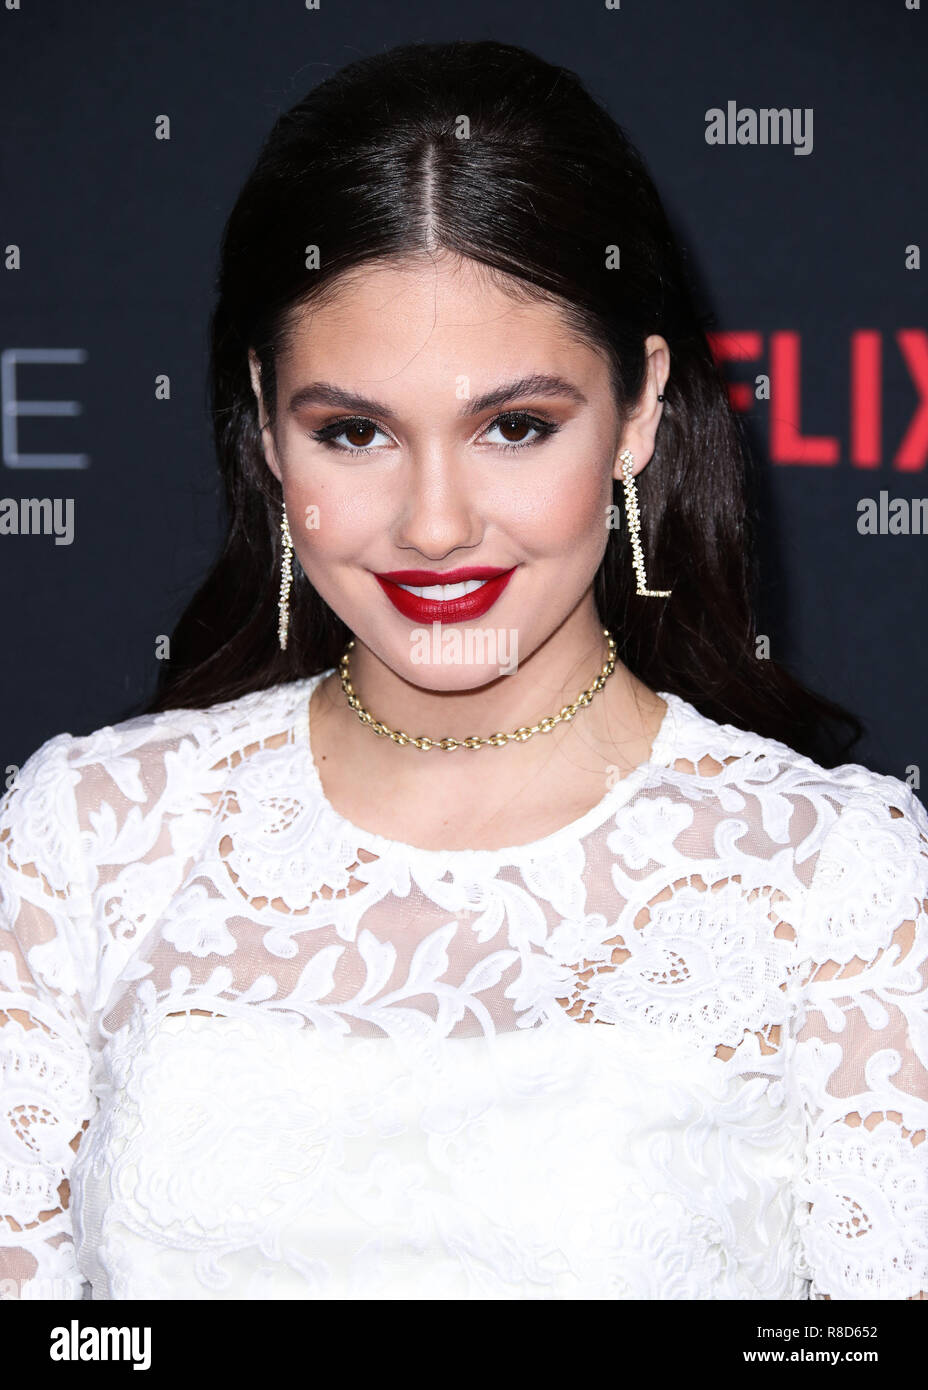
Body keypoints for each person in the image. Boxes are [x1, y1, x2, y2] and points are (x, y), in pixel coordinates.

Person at [1, 38, 926, 1302]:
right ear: (269, 424)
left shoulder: (838, 887)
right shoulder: (84, 844)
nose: (435, 524)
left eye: (515, 426)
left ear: (639, 408)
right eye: (355, 431)